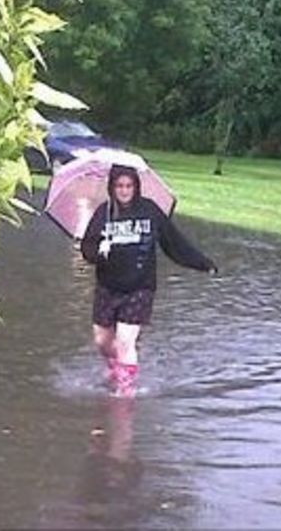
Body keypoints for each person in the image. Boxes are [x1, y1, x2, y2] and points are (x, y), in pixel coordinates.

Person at [81, 164, 217, 396]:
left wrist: (203, 263)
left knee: (125, 341)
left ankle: (125, 391)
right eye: (119, 186)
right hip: (108, 286)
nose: (124, 191)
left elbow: (174, 243)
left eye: (129, 186)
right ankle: (118, 367)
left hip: (140, 287)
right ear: (112, 188)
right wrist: (99, 251)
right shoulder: (103, 213)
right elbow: (87, 249)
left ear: (136, 187)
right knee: (102, 341)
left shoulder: (149, 211)